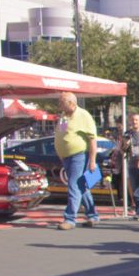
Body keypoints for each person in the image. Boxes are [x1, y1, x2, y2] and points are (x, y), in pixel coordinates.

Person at [54, 92, 99, 230]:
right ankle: (92, 215)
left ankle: (70, 218)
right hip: (67, 157)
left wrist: (92, 160)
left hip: (79, 155)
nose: (59, 105)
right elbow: (62, 134)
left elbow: (92, 139)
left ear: (71, 103)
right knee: (81, 186)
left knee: (73, 185)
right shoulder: (64, 117)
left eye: (62, 102)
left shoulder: (83, 115)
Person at [120, 112, 139, 222]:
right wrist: (125, 144)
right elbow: (122, 150)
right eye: (132, 120)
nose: (134, 122)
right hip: (132, 162)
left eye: (136, 120)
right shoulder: (127, 134)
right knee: (135, 188)